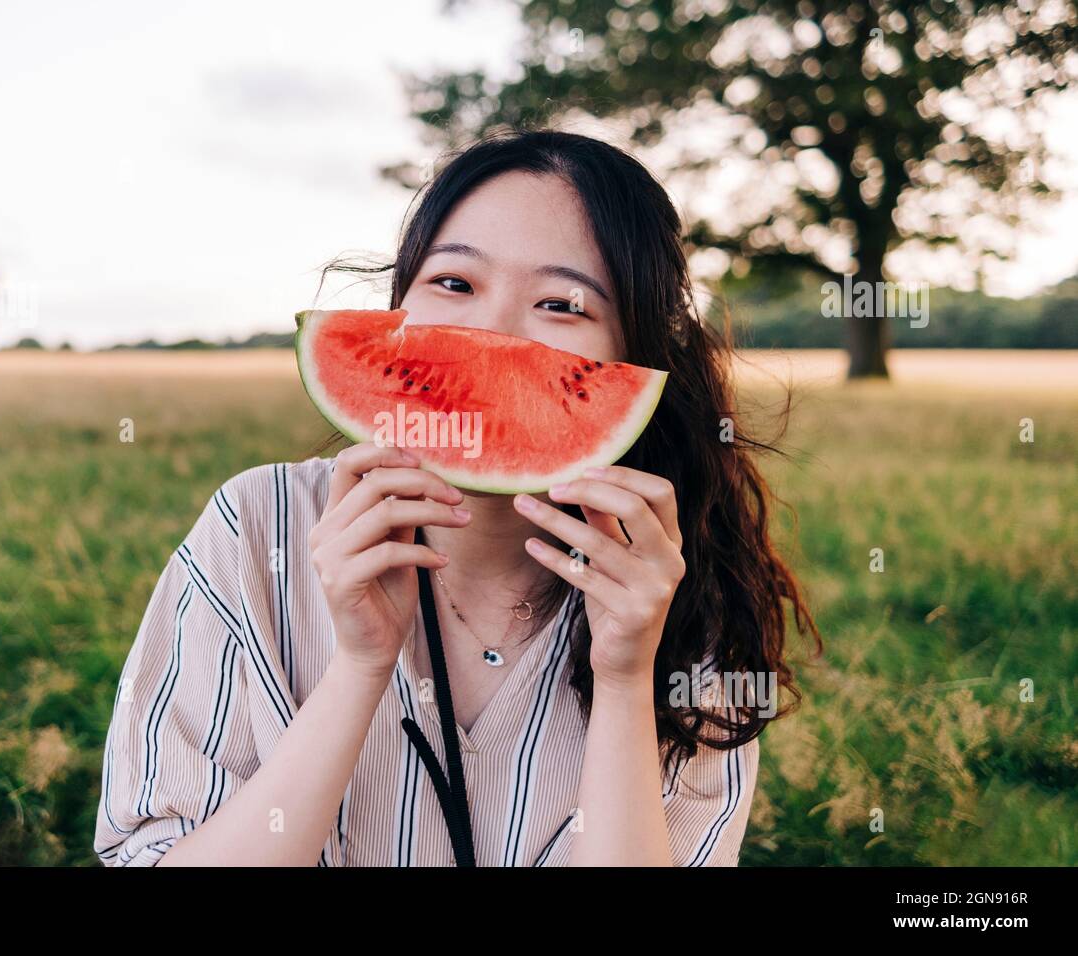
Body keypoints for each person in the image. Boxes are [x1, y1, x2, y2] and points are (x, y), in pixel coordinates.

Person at [94, 128, 819, 867]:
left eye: (562, 303)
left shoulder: (680, 587)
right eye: (454, 284)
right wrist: (359, 668)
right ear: (395, 309)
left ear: (632, 360)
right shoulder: (257, 528)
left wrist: (627, 677)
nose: (490, 333)